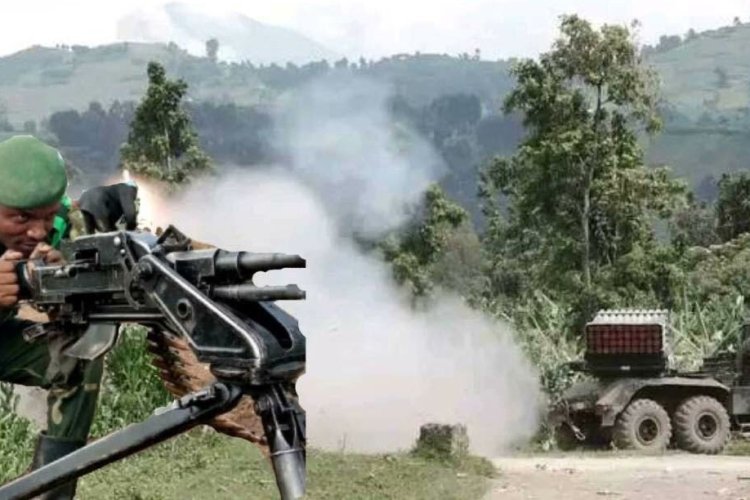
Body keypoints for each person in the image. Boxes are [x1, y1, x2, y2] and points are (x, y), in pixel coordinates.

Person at [0, 135, 104, 499]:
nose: (38, 231)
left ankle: (51, 492)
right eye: (21, 217)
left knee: (79, 355)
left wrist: (59, 290)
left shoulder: (61, 224)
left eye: (47, 216)